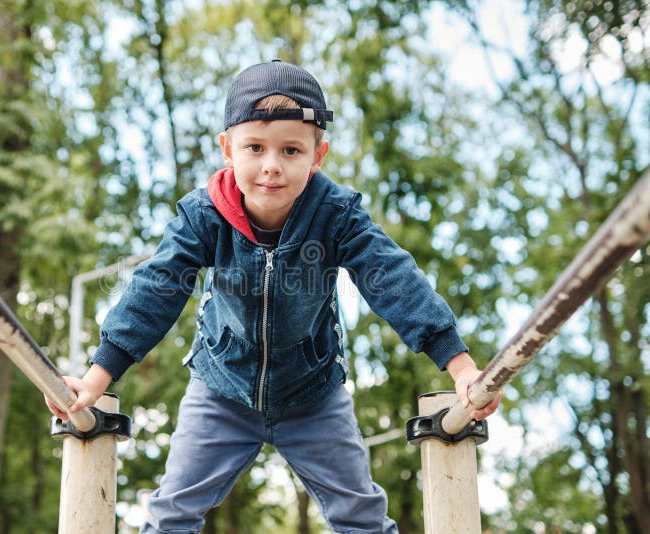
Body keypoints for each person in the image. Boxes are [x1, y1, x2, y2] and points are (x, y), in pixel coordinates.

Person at [46, 59, 502, 533]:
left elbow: (393, 279)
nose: (271, 166)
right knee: (171, 515)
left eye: (290, 150)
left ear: (317, 155)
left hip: (313, 396)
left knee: (361, 516)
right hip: (220, 391)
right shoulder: (204, 216)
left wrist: (460, 365)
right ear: (228, 149)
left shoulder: (336, 215)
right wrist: (98, 375)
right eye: (255, 147)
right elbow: (156, 288)